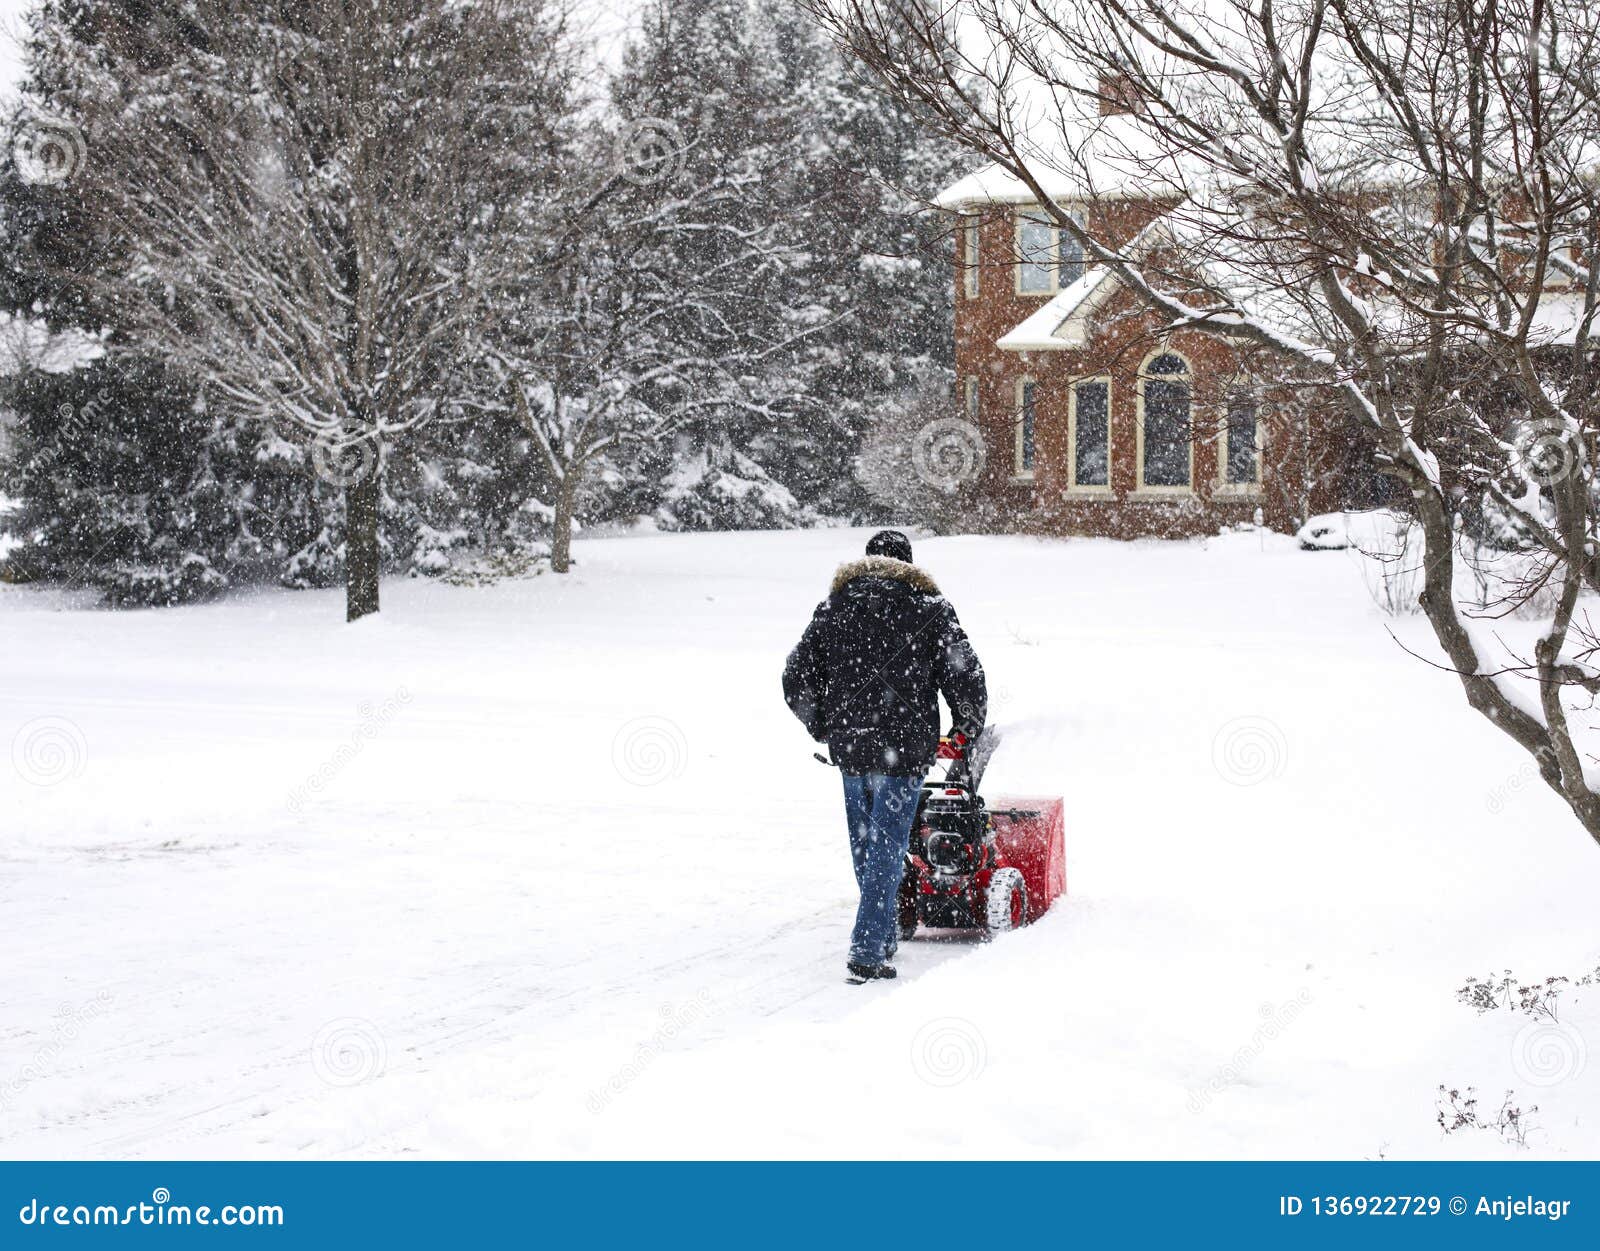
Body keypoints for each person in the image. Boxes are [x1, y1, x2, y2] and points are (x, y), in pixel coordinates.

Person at [782, 530, 987, 982]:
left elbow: (795, 676)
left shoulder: (833, 609)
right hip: (905, 750)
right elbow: (964, 673)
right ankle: (869, 948)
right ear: (909, 565)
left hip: (852, 748)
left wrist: (823, 724)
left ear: (867, 561)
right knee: (888, 846)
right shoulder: (929, 609)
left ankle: (884, 928)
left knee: (866, 845)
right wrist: (965, 727)